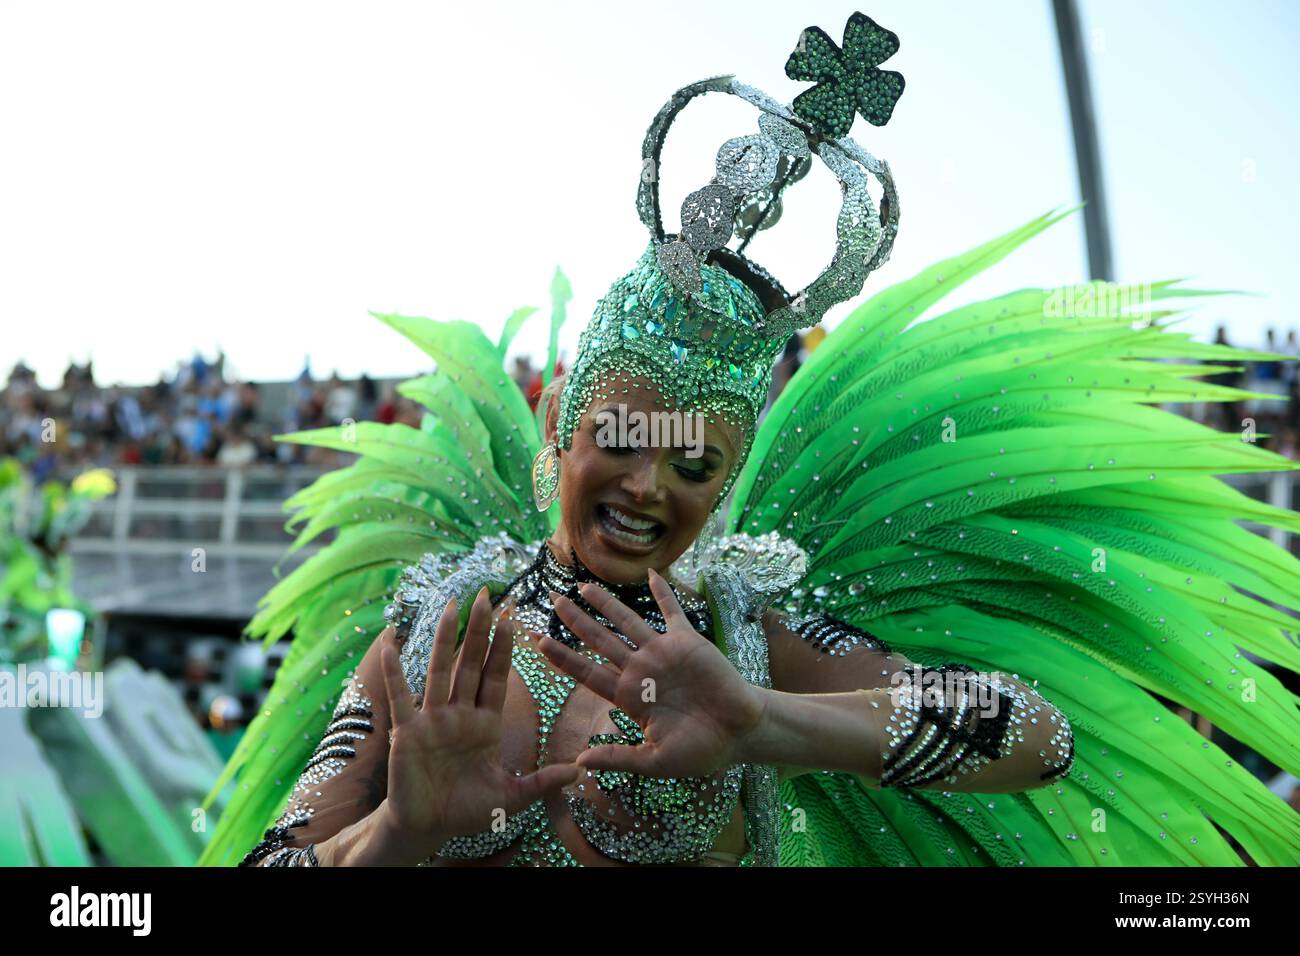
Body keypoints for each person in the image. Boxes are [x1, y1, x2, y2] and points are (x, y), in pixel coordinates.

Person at [203, 13, 1300, 868]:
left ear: (729, 479)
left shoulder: (742, 630)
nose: (647, 488)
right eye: (623, 437)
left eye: (695, 463)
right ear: (557, 425)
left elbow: (1035, 732)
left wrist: (761, 721)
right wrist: (398, 830)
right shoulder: (438, 633)